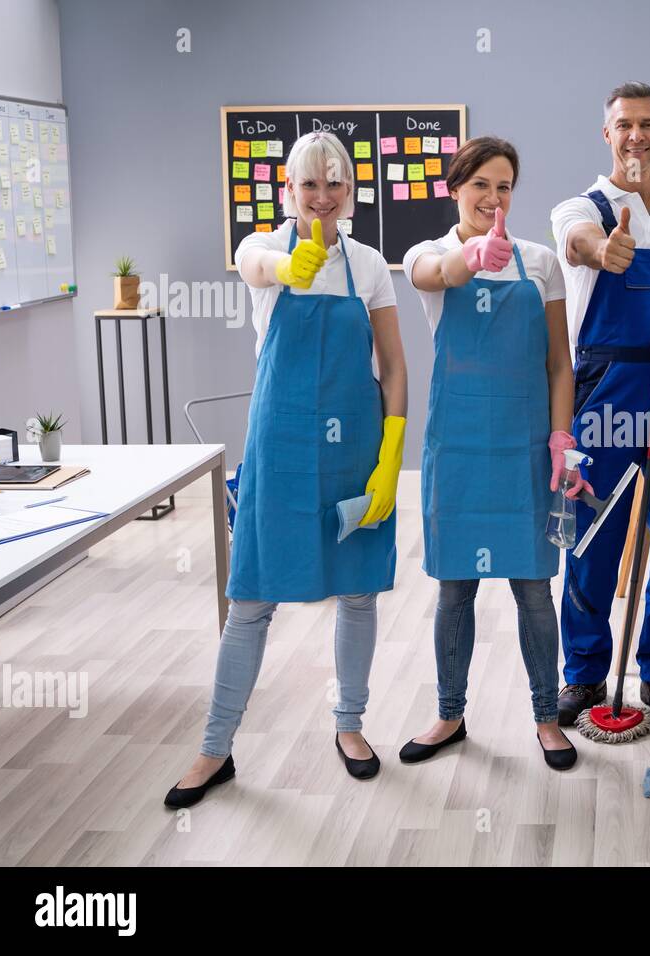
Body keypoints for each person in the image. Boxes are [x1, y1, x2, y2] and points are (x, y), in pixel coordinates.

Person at [165, 130, 406, 808]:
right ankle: (215, 749)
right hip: (280, 447)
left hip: (356, 446)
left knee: (358, 591)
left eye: (335, 185)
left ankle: (350, 726)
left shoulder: (370, 264)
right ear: (289, 191)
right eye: (309, 185)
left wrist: (391, 457)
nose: (323, 197)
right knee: (251, 601)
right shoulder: (264, 248)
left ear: (351, 193)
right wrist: (287, 268)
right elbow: (253, 267)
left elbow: (392, 367)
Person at [401, 137, 579, 771]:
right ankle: (450, 715)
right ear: (456, 188)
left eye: (504, 187)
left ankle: (545, 717)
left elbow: (560, 363)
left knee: (534, 591)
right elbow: (431, 275)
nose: (493, 198)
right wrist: (469, 260)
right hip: (458, 451)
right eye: (480, 185)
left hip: (524, 448)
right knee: (456, 592)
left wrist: (562, 439)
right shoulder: (429, 253)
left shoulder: (539, 263)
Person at [548, 82, 650, 729]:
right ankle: (585, 674)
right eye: (624, 125)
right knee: (590, 534)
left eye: (648, 124)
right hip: (606, 391)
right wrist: (604, 249)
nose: (636, 135)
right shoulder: (578, 208)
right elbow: (579, 242)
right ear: (607, 134)